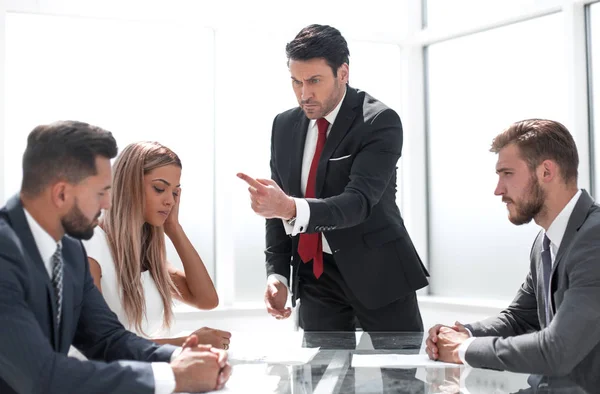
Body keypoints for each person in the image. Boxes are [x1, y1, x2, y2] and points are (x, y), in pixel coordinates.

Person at [0, 121, 231, 393]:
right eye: (100, 193)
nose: (108, 204)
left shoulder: (71, 252)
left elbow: (108, 339)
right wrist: (174, 377)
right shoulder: (5, 253)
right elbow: (40, 374)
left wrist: (182, 358)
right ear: (61, 193)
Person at [237, 24, 429, 336]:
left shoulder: (379, 121)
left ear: (343, 73)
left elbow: (358, 202)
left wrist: (289, 208)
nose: (304, 94)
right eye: (296, 82)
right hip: (315, 275)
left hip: (379, 271)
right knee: (320, 382)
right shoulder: (283, 125)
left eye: (314, 81)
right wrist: (278, 274)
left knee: (403, 378)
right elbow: (277, 201)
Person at [425, 119, 600, 393]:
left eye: (507, 173)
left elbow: (558, 349)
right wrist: (464, 333)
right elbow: (520, 318)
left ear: (546, 172)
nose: (498, 189)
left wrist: (464, 349)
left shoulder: (595, 238)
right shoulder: (545, 241)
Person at [84, 141, 231, 350]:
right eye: (159, 188)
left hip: (136, 375)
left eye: (174, 192)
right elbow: (97, 343)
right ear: (128, 186)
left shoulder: (145, 254)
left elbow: (207, 299)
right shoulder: (90, 244)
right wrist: (185, 343)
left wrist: (174, 228)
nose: (169, 201)